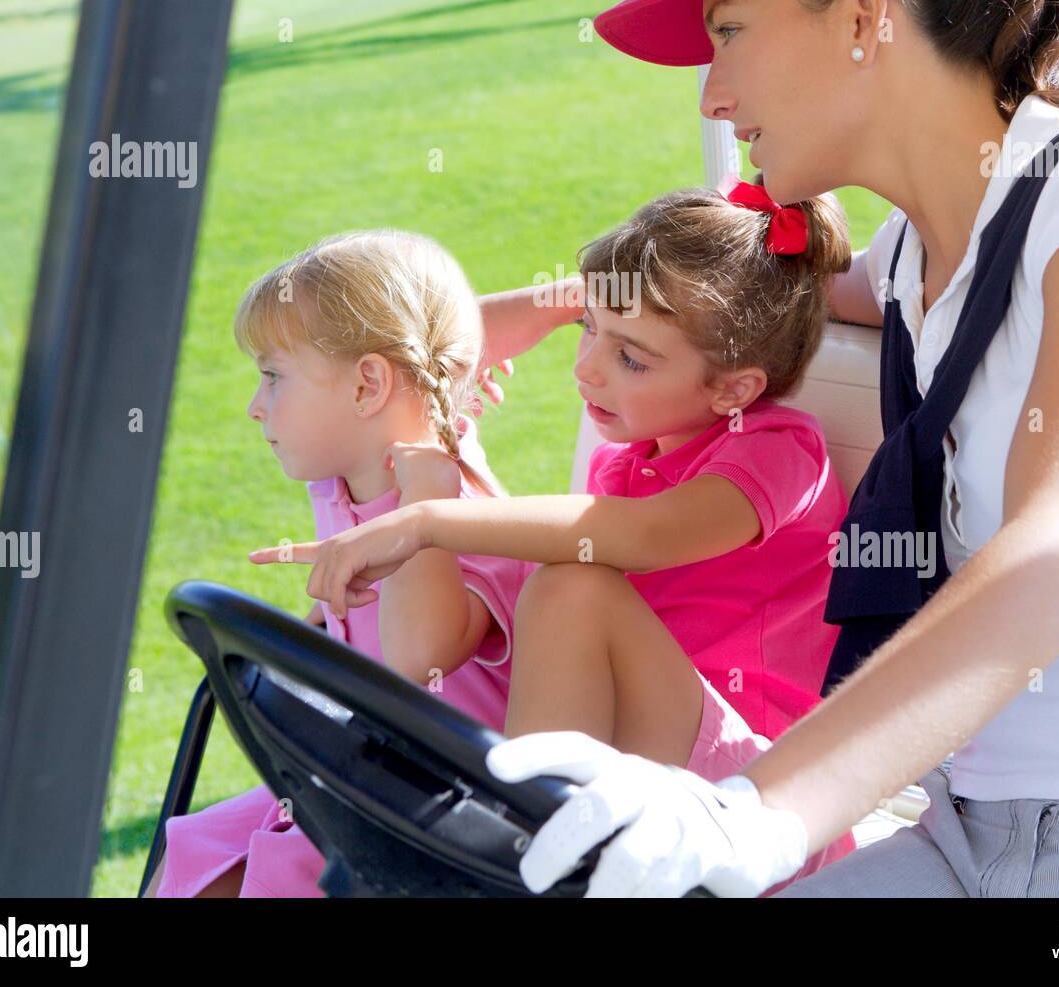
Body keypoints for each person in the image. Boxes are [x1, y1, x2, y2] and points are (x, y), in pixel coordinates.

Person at [329, 0, 1059, 899]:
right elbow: (736, 305)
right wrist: (498, 322)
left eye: (729, 34)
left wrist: (756, 814)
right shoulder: (916, 254)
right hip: (964, 836)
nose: (712, 96)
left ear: (861, 12)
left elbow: (1054, 564)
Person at [250, 180, 863, 889]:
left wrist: (424, 521)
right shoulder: (627, 461)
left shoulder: (777, 448)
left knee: (570, 584)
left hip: (756, 796)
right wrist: (592, 292)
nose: (587, 367)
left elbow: (633, 535)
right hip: (648, 767)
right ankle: (514, 849)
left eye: (631, 357)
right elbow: (431, 359)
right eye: (588, 331)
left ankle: (509, 859)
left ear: (733, 390)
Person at [146, 229, 533, 897]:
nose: (254, 404)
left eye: (273, 374)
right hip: (365, 774)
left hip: (443, 817)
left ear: (367, 385)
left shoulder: (461, 512)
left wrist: (425, 508)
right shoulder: (339, 482)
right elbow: (341, 631)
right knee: (195, 856)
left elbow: (416, 659)